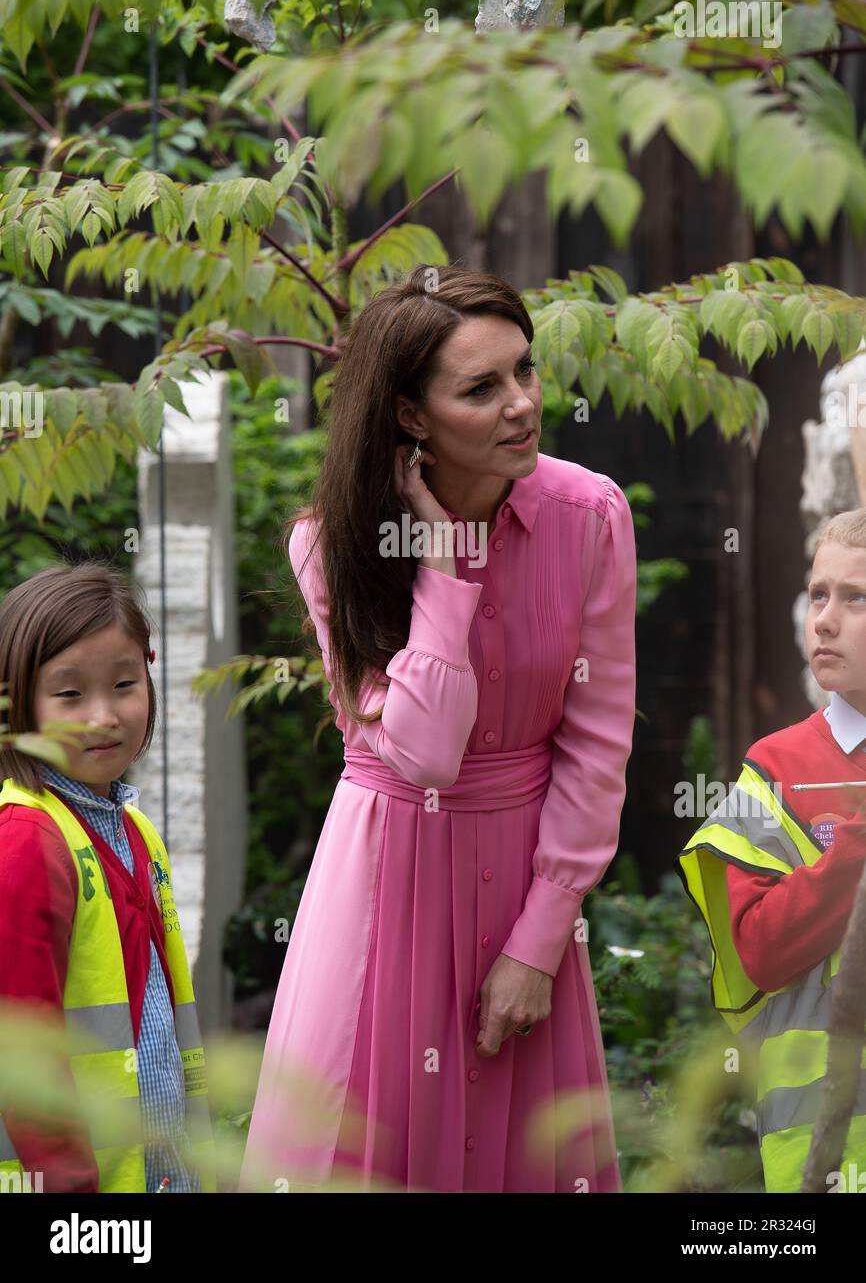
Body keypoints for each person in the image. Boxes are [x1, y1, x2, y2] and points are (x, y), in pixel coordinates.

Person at [240, 263, 637, 1193]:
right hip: (385, 880)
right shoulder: (330, 544)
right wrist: (447, 568)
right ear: (412, 416)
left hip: (527, 884)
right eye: (481, 387)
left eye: (525, 371)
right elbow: (421, 752)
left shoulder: (590, 517)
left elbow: (596, 748)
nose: (522, 405)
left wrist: (539, 943)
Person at [0, 562, 214, 1193]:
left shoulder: (135, 831)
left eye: (124, 684)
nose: (103, 716)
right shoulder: (26, 841)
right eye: (69, 695)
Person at [679, 508, 866, 1192]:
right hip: (822, 1143)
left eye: (856, 599)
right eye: (819, 593)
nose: (824, 619)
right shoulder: (777, 767)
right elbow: (758, 949)